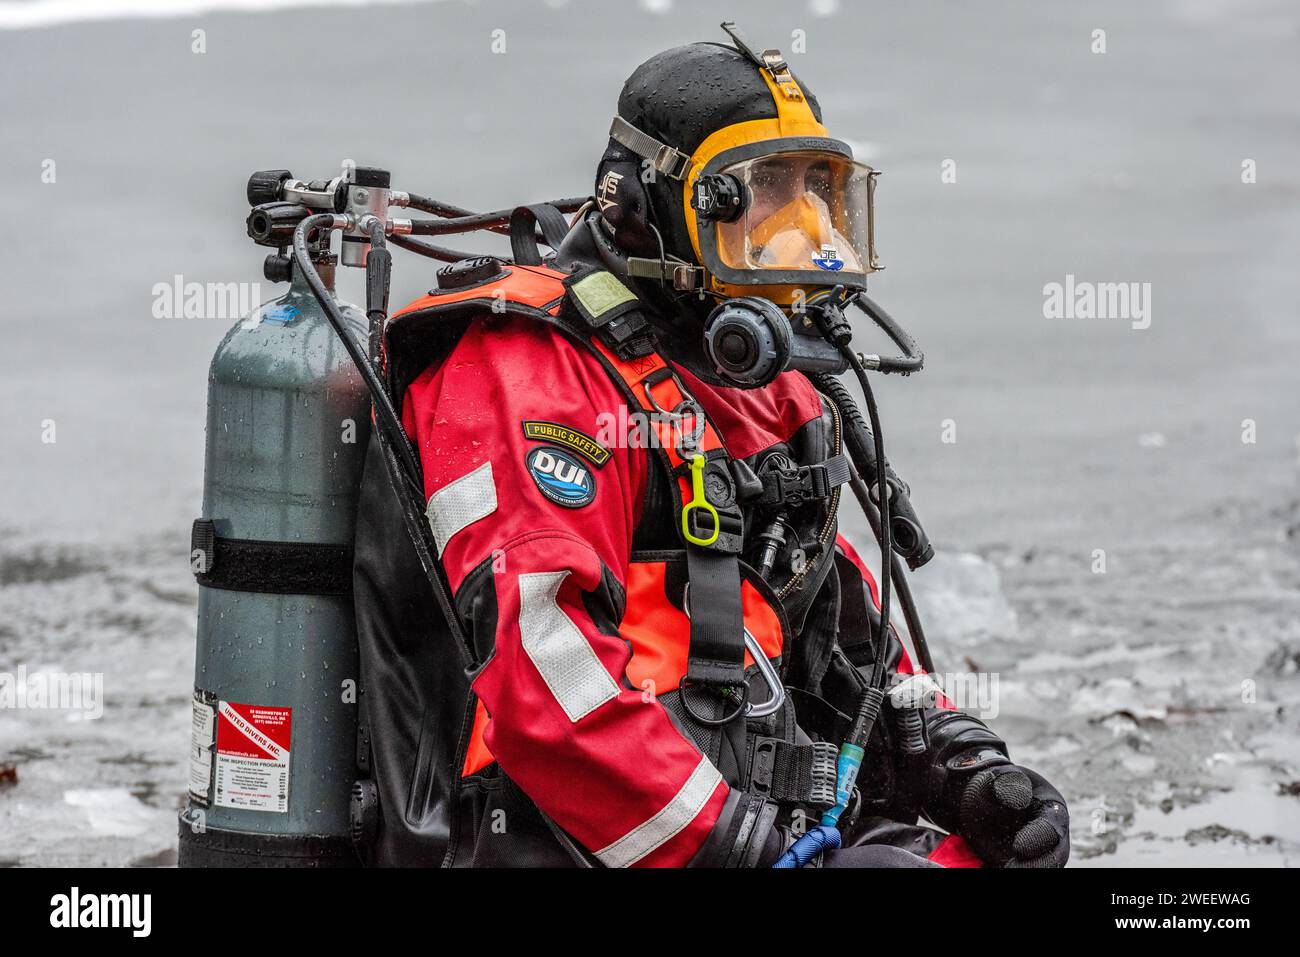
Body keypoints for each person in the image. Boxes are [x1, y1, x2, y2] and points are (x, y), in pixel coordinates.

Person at [351, 26, 1070, 868]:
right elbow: (542, 681)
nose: (798, 233)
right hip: (561, 840)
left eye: (817, 196)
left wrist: (959, 765)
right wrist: (745, 851)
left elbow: (845, 639)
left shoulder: (766, 384)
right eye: (763, 197)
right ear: (649, 202)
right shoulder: (527, 372)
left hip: (749, 821)